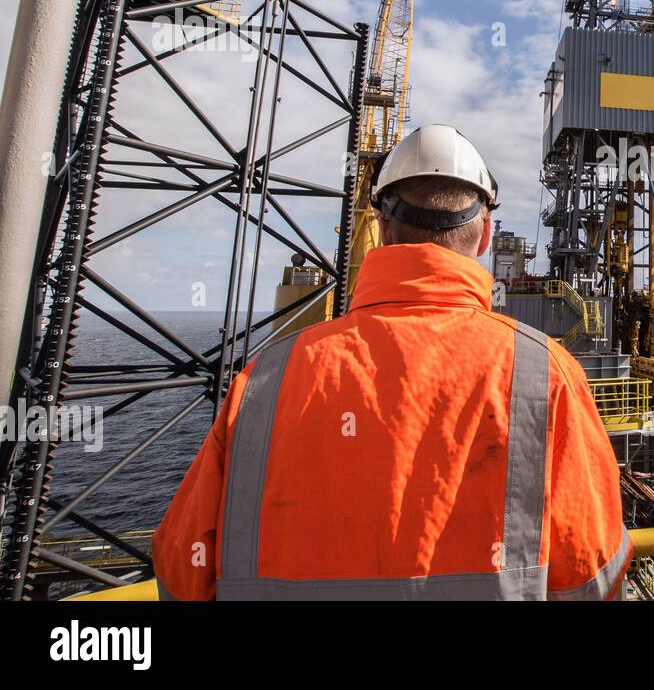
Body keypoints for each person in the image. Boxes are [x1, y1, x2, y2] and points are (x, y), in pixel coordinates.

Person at [153, 124, 629, 600]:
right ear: (485, 235)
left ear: (380, 228)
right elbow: (591, 574)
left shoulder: (264, 381)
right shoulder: (545, 372)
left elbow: (180, 570)